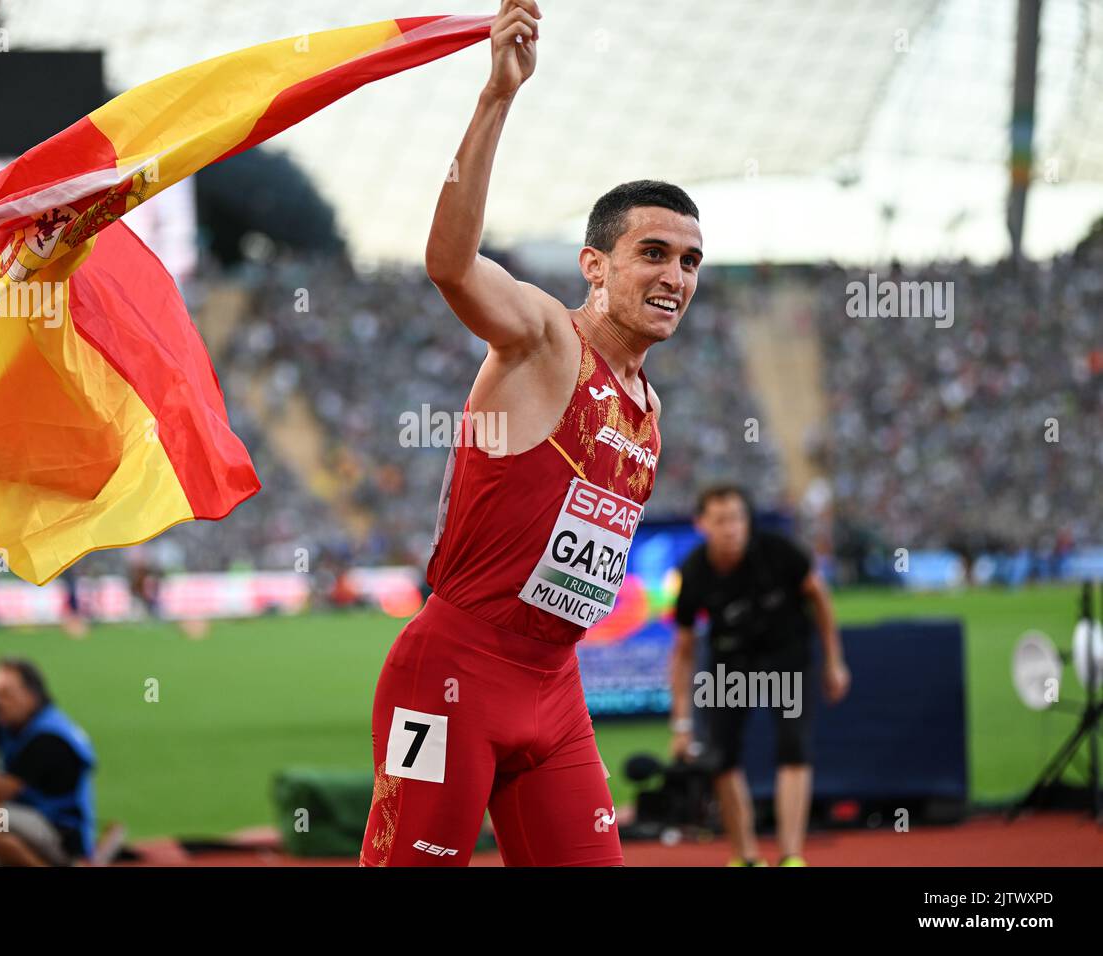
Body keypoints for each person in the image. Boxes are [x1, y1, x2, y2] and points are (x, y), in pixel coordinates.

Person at [361, 0, 703, 865]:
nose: (675, 276)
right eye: (653, 253)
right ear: (596, 266)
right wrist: (497, 97)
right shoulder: (547, 340)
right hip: (452, 678)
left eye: (691, 261)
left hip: (554, 691)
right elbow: (449, 263)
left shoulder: (649, 407)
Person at [669, 484, 851, 866]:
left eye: (736, 518)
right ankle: (746, 856)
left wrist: (834, 660)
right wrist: (682, 722)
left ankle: (790, 855)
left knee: (793, 749)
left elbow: (819, 596)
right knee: (721, 758)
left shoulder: (778, 551)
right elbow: (684, 651)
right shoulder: (695, 572)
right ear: (702, 524)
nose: (731, 528)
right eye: (720, 520)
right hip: (730, 660)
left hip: (786, 654)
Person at [0, 658, 96, 866]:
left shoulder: (49, 738)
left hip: (59, 834)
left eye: (6, 694)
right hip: (22, 826)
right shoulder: (12, 723)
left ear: (31, 695)